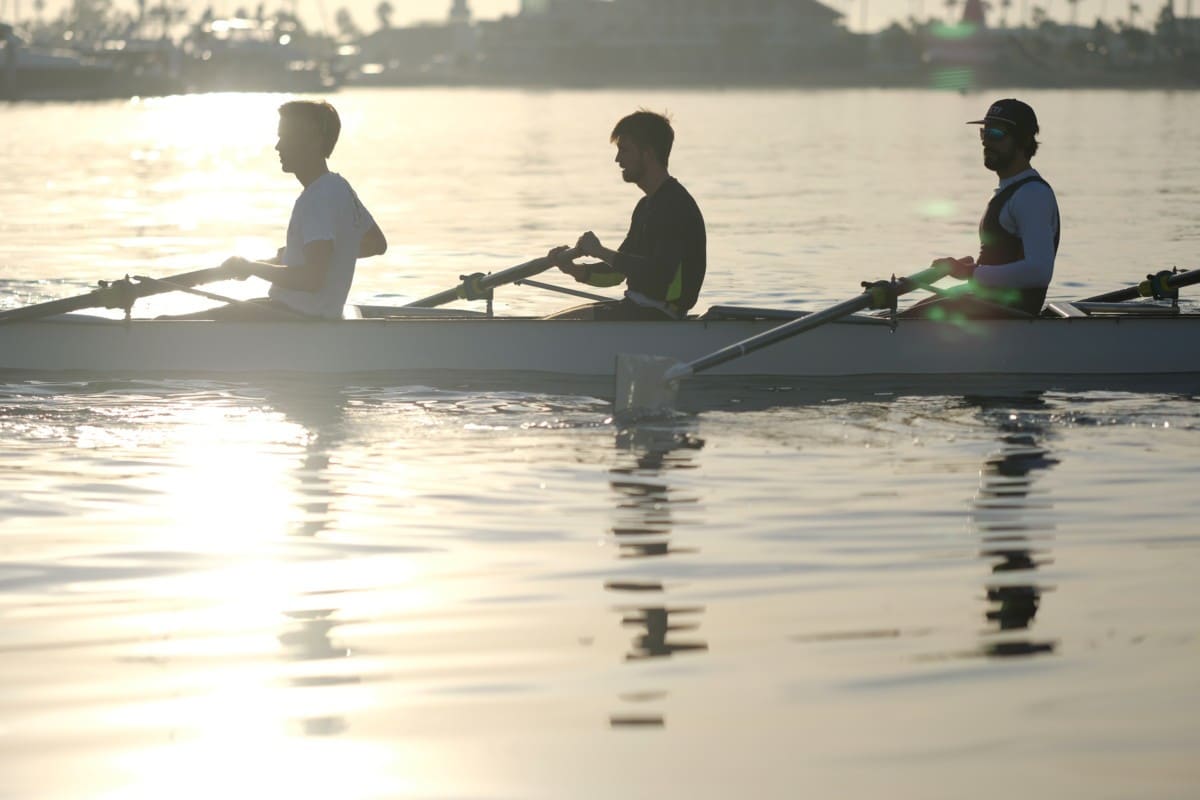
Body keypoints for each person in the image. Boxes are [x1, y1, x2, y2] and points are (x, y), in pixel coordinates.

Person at [172, 100, 386, 320]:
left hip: (297, 320)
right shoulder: (341, 188)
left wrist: (251, 268)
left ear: (313, 141)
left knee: (168, 325)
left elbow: (312, 279)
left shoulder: (315, 199)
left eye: (285, 137)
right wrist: (302, 254)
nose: (278, 146)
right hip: (307, 314)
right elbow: (376, 244)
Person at [546, 110, 706, 321]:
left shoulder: (675, 206)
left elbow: (659, 274)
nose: (618, 159)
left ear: (647, 153)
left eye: (624, 150)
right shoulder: (645, 206)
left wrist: (600, 251)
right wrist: (574, 270)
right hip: (637, 309)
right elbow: (617, 274)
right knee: (556, 321)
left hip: (659, 317)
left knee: (560, 324)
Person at [914, 98, 1060, 318]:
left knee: (909, 319)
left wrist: (971, 272)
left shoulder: (1032, 195)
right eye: (984, 133)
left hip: (1011, 315)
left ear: (1023, 140)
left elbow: (1039, 271)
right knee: (897, 314)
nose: (986, 142)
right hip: (985, 302)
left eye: (996, 134)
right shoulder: (1010, 190)